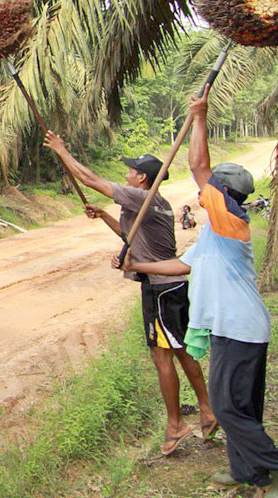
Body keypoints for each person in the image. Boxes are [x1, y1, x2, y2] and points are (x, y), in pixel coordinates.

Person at [118, 92, 278, 497]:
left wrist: (200, 116)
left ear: (221, 193)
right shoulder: (213, 232)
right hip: (231, 327)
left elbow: (197, 165)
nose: (203, 190)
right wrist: (138, 266)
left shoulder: (230, 222)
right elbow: (183, 265)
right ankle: (248, 471)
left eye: (212, 187)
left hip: (241, 328)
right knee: (240, 406)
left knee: (226, 408)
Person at [43, 131, 216, 456]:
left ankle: (176, 424)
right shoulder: (154, 204)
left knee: (162, 356)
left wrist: (61, 150)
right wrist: (106, 216)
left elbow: (90, 179)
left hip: (160, 292)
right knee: (181, 351)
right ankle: (207, 411)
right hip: (171, 290)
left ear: (142, 179)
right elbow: (130, 236)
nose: (126, 174)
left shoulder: (142, 197)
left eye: (131, 171)